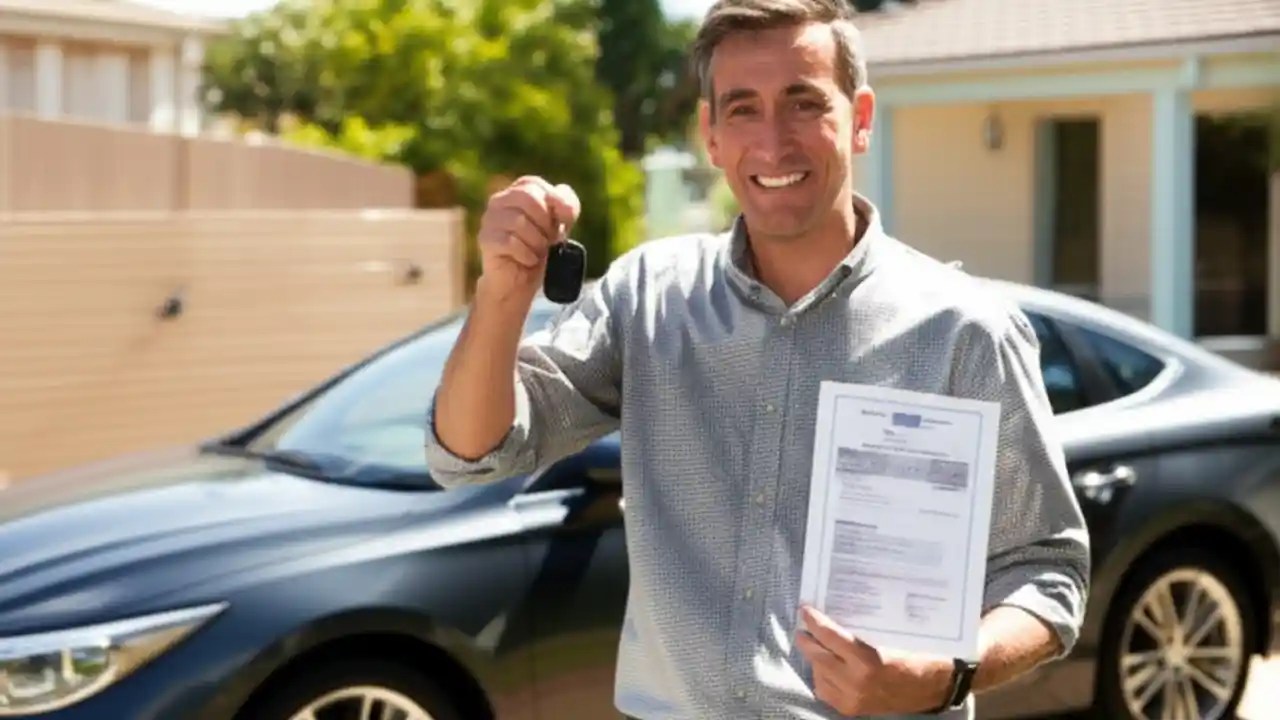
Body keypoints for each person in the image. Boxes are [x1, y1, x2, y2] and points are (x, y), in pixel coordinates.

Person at [425, 0, 1090, 717]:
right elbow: (471, 453)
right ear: (710, 134)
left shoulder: (966, 332)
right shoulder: (647, 299)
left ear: (860, 118)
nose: (773, 143)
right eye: (743, 109)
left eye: (804, 103)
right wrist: (502, 295)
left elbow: (1047, 571)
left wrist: (944, 676)